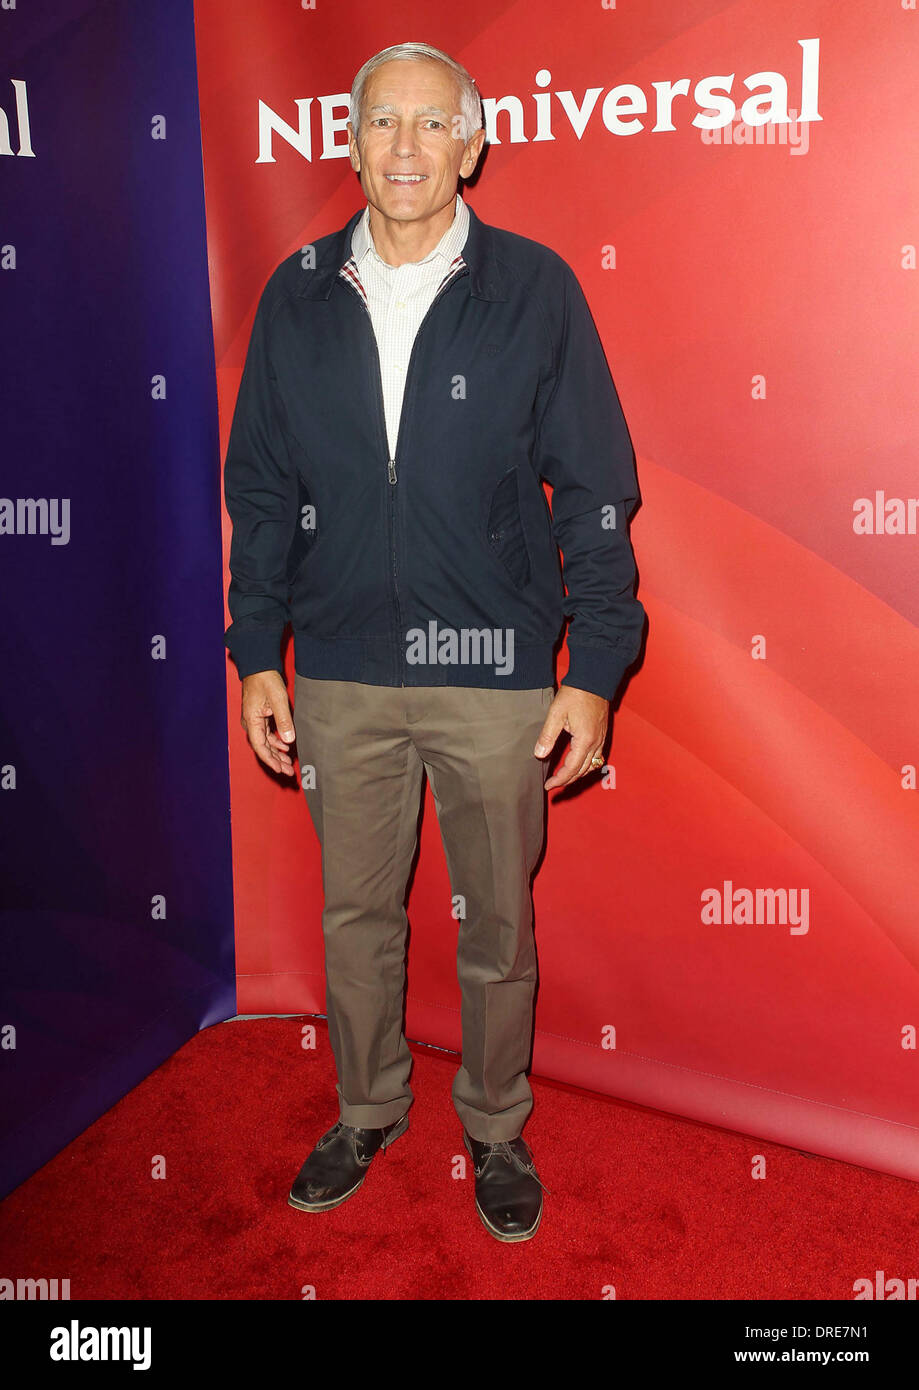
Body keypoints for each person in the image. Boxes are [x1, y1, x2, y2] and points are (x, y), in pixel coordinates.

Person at [223, 41, 645, 1244]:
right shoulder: (296, 291)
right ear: (347, 143)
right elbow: (259, 491)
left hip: (496, 678)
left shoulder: (535, 287)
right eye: (379, 124)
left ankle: (497, 1122)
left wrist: (595, 669)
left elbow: (596, 488)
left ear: (472, 145)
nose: (403, 148)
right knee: (355, 918)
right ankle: (366, 1107)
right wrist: (258, 649)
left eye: (429, 126)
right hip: (341, 673)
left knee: (498, 922)